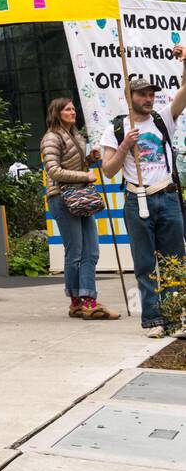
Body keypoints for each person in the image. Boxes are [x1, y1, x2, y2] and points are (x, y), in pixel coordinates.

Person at [99, 62, 186, 338]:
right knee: (145, 262)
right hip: (137, 200)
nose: (148, 99)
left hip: (167, 196)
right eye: (142, 94)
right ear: (129, 97)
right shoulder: (115, 128)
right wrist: (125, 144)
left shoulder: (163, 118)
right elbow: (108, 170)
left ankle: (175, 318)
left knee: (174, 260)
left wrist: (184, 62)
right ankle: (152, 320)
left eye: (151, 94)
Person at [42, 98, 118, 320]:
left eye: (74, 108)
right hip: (62, 198)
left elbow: (75, 164)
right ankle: (82, 302)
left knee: (91, 250)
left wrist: (90, 160)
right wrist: (86, 175)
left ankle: (84, 300)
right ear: (56, 112)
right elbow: (54, 171)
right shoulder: (51, 137)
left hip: (79, 197)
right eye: (67, 109)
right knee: (75, 251)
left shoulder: (76, 136)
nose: (72, 111)